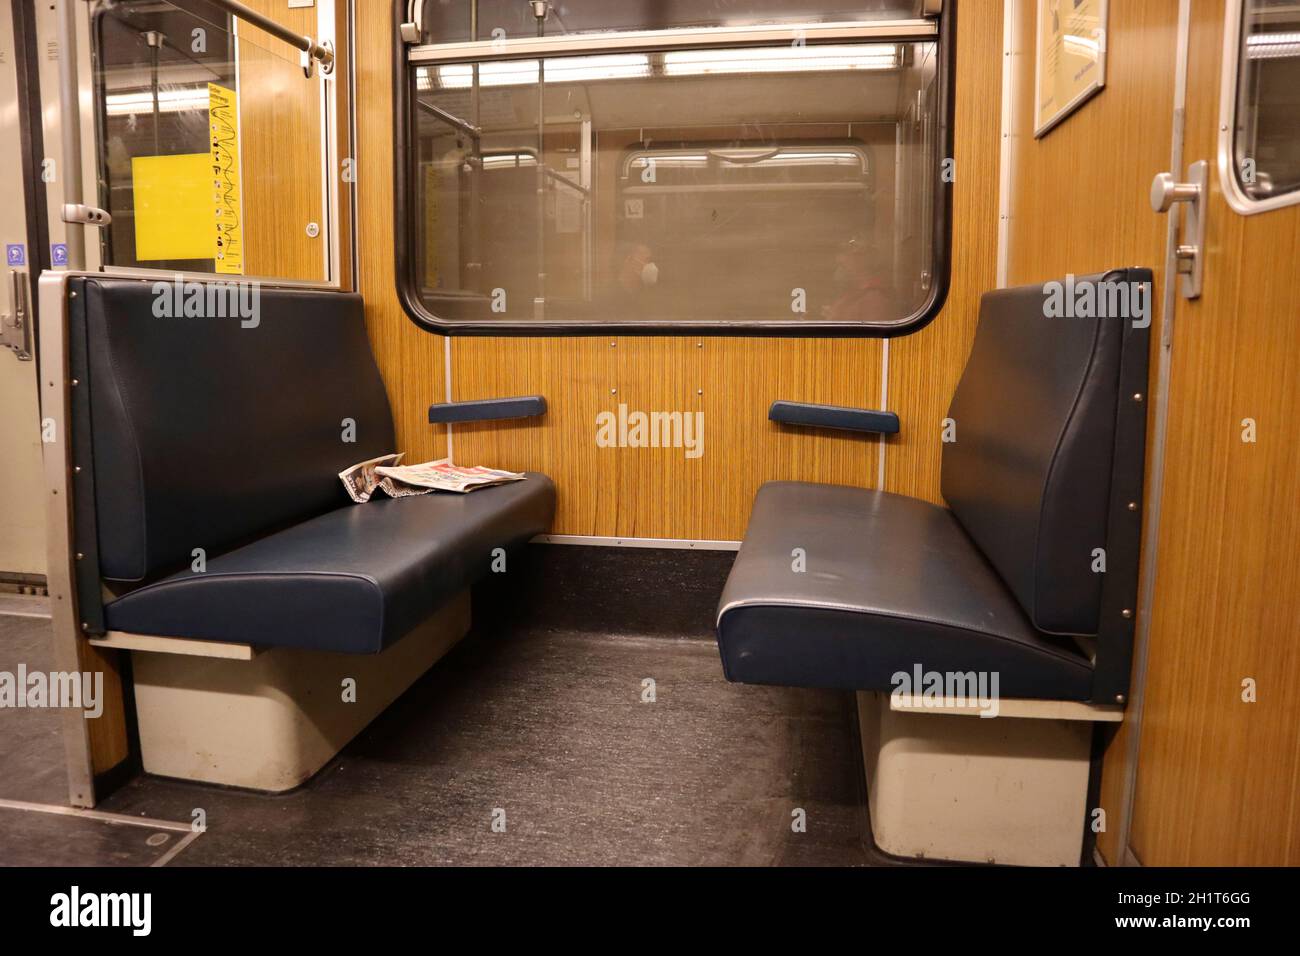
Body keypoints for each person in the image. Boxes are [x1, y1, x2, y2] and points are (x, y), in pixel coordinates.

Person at [824, 236, 895, 323]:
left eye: (842, 265)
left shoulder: (874, 298)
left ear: (860, 263)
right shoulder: (853, 293)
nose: (838, 272)